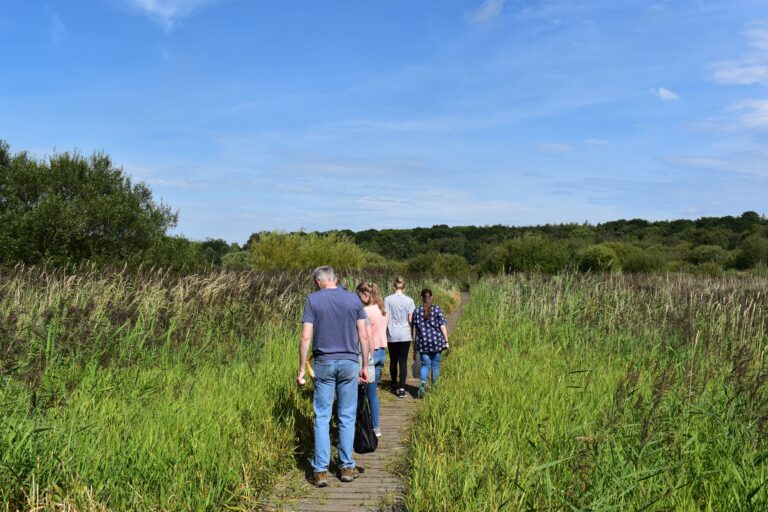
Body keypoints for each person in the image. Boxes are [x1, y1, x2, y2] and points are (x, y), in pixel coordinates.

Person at [297, 266, 370, 487]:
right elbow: (364, 335)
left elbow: (305, 336)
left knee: (322, 416)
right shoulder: (353, 300)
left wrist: (301, 369)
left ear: (319, 282)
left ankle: (320, 470)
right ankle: (346, 466)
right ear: (334, 279)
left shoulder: (313, 300)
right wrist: (364, 365)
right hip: (349, 362)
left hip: (323, 363)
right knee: (346, 415)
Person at [356, 282, 388, 438]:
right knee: (373, 393)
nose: (359, 299)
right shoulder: (383, 311)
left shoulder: (365, 311)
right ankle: (376, 426)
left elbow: (365, 335)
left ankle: (364, 426)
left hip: (371, 354)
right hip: (382, 352)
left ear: (365, 294)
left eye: (359, 295)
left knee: (363, 393)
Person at [411, 288, 449, 399]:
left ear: (421, 297)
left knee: (425, 365)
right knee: (435, 365)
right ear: (431, 297)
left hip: (423, 343)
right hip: (436, 343)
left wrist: (414, 345)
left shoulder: (417, 312)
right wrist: (446, 341)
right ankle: (434, 387)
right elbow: (442, 327)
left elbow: (414, 331)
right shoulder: (437, 310)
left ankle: (422, 384)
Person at [384, 276, 416, 398]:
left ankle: (393, 383)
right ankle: (402, 388)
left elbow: (386, 317)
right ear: (404, 288)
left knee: (393, 360)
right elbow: (410, 320)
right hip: (404, 334)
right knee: (403, 361)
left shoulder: (387, 299)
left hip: (391, 333)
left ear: (393, 287)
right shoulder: (409, 300)